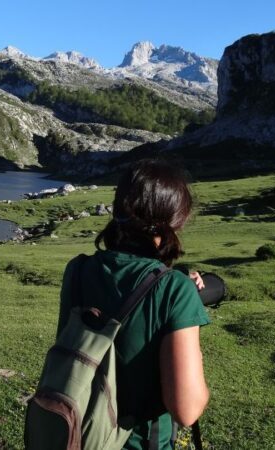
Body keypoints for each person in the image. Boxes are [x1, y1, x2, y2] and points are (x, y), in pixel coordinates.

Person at [55, 160, 210, 450]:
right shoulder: (174, 290)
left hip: (77, 435)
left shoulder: (77, 270)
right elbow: (186, 410)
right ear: (175, 220)